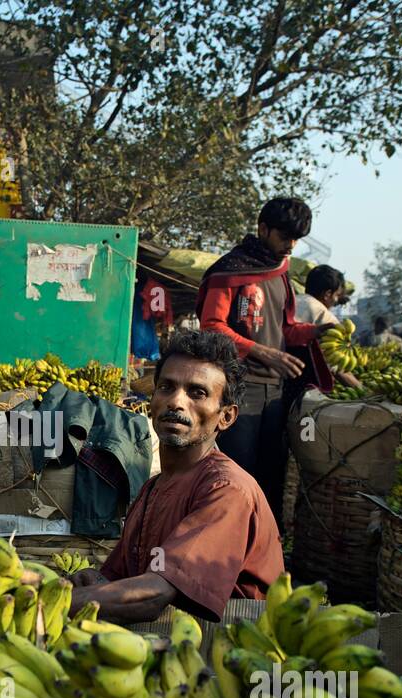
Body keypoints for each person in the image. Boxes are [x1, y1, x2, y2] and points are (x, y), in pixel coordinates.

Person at [70, 330, 284, 623]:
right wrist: (93, 580)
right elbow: (122, 578)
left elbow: (154, 595)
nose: (176, 402)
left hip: (226, 655)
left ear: (227, 417)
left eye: (197, 393)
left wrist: (53, 604)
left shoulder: (227, 490)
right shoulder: (153, 487)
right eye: (166, 388)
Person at [193, 197, 332, 522]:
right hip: (240, 387)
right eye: (285, 237)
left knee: (271, 476)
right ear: (263, 229)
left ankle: (265, 549)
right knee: (235, 473)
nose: (291, 246)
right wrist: (260, 350)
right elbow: (212, 326)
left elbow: (285, 330)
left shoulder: (280, 274)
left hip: (276, 392)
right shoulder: (230, 270)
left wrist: (315, 332)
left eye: (297, 239)